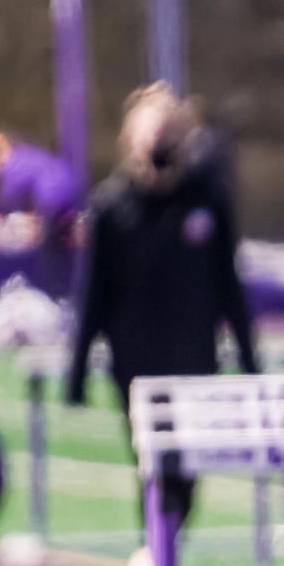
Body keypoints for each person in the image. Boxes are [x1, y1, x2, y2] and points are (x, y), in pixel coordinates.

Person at [67, 83, 257, 536]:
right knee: (152, 464)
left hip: (194, 358)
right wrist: (76, 372)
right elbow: (92, 295)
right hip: (136, 363)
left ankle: (163, 553)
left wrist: (250, 357)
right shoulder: (111, 207)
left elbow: (229, 283)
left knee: (187, 466)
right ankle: (156, 556)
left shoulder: (206, 200)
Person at [0, 133, 86, 297]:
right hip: (69, 188)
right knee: (63, 241)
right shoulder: (25, 154)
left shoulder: (11, 163)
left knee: (48, 248)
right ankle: (74, 285)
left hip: (52, 197)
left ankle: (53, 291)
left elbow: (7, 197)